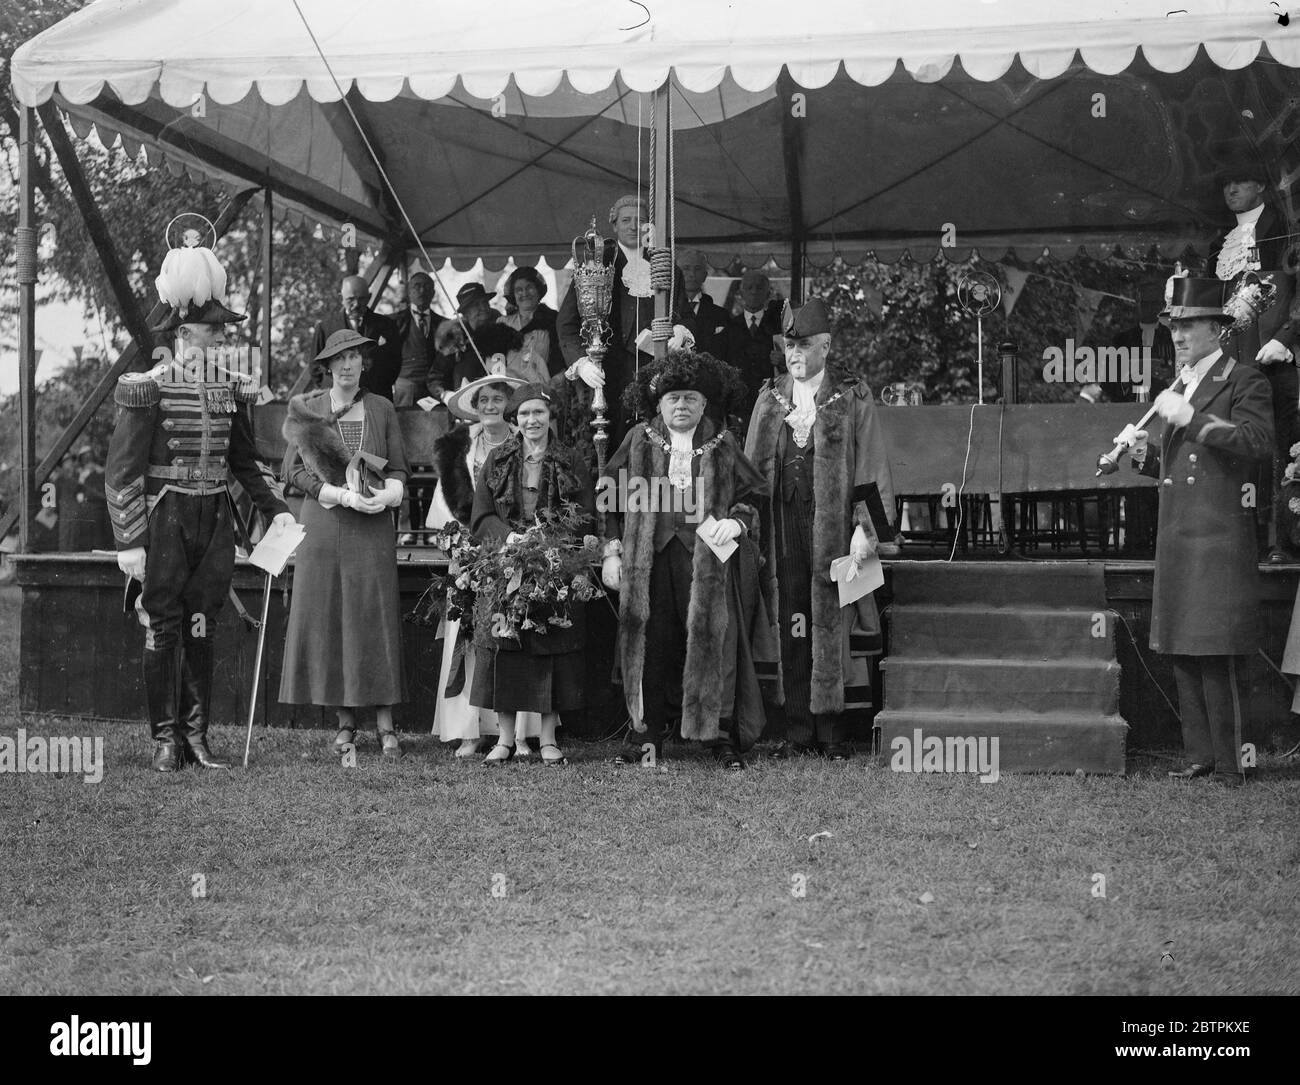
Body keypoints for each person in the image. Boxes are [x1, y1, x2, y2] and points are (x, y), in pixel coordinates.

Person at [106, 237, 294, 772]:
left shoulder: (233, 389)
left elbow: (246, 461)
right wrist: (130, 543)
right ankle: (165, 739)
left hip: (214, 518)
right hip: (165, 518)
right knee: (163, 624)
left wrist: (276, 508)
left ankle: (197, 737)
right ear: (184, 334)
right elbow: (121, 473)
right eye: (215, 329)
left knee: (202, 624)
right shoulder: (148, 388)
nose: (223, 336)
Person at [1116, 276, 1274, 786]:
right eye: (1174, 326)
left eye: (1188, 326)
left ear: (1216, 329)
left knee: (1217, 650)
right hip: (1180, 531)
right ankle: (1200, 755)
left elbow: (1256, 443)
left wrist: (1195, 418)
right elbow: (1175, 463)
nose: (1179, 335)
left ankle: (1232, 762)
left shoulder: (1244, 379)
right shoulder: (1180, 384)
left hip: (1219, 533)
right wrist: (1143, 456)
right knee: (1184, 646)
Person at [600, 349, 777, 770]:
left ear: (704, 404)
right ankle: (646, 739)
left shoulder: (723, 442)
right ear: (658, 403)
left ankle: (718, 739)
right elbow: (607, 496)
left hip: (707, 563)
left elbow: (754, 494)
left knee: (711, 643)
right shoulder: (638, 440)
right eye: (673, 399)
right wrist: (611, 552)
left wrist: (737, 523)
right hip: (649, 561)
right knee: (649, 644)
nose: (681, 406)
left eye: (690, 399)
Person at [744, 298, 898, 759]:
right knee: (790, 617)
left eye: (804, 344)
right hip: (783, 526)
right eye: (789, 344)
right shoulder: (769, 398)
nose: (795, 353)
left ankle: (832, 733)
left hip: (835, 530)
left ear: (826, 346)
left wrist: (864, 530)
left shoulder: (853, 397)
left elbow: (873, 467)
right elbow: (751, 470)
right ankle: (797, 731)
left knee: (830, 621)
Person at [279, 329, 410, 759]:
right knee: (333, 616)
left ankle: (387, 724)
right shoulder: (309, 408)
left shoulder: (381, 408)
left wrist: (390, 494)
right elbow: (291, 473)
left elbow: (398, 468)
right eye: (341, 359)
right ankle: (345, 723)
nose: (349, 365)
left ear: (363, 363)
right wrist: (332, 493)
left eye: (355, 357)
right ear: (328, 366)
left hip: (370, 525)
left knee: (374, 614)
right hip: (324, 520)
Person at [469, 383, 595, 765]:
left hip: (553, 565)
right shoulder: (498, 460)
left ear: (549, 415)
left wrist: (551, 541)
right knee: (504, 649)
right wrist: (511, 538)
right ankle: (504, 739)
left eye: (538, 412)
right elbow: (481, 515)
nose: (531, 420)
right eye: (524, 414)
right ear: (515, 419)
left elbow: (585, 512)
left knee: (549, 651)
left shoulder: (569, 459)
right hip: (506, 561)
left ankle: (548, 739)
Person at [426, 374, 543, 757]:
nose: (490, 406)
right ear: (474, 407)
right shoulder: (458, 449)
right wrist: (459, 542)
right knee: (468, 639)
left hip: (513, 551)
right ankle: (469, 730)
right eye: (483, 401)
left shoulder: (521, 440)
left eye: (497, 400)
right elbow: (444, 507)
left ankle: (519, 734)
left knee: (514, 636)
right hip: (467, 553)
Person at [1209, 160, 1300, 563]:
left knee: (1283, 449)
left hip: (1276, 358)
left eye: (1239, 180)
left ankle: (1284, 542)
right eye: (1226, 182)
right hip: (1236, 360)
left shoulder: (1285, 229)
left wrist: (1285, 338)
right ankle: (1242, 538)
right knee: (1239, 445)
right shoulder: (1222, 241)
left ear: (1260, 185)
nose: (1231, 189)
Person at [556, 194, 689, 453]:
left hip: (657, 371)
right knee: (610, 447)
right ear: (614, 225)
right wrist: (581, 363)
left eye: (639, 221)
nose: (632, 226)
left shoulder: (664, 264)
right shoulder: (597, 261)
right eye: (625, 220)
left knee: (658, 443)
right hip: (609, 373)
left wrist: (680, 333)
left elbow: (684, 314)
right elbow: (566, 323)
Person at [311, 275, 399, 400]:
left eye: (362, 299)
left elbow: (395, 363)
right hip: (336, 403)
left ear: (369, 297)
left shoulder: (386, 325)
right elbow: (315, 367)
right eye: (350, 299)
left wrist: (379, 386)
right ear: (341, 298)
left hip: (375, 400)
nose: (356, 304)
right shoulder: (325, 328)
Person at [725, 269, 787, 414]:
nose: (754, 292)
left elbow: (794, 366)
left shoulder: (779, 327)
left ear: (768, 293)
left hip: (771, 402)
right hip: (738, 404)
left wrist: (784, 361)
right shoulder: (730, 327)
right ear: (741, 293)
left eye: (759, 287)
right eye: (749, 287)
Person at [431, 282, 504, 398]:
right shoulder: (454, 338)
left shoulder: (502, 331)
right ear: (465, 313)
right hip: (464, 404)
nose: (483, 308)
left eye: (485, 302)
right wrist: (445, 395)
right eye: (476, 305)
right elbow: (435, 377)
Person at [501, 265, 564, 385]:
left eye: (529, 287)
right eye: (518, 290)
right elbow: (495, 361)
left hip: (543, 388)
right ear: (513, 295)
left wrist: (556, 381)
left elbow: (562, 359)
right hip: (509, 388)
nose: (524, 293)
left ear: (538, 290)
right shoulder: (503, 323)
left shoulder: (554, 320)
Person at [391, 271, 444, 407]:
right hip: (405, 393)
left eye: (427, 287)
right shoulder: (392, 322)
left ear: (433, 293)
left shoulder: (444, 324)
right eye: (417, 286)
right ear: (409, 292)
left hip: (435, 393)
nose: (422, 290)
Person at [679, 249, 729, 360]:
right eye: (686, 269)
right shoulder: (667, 311)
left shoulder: (721, 315)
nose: (692, 274)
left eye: (697, 269)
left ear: (705, 275)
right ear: (677, 273)